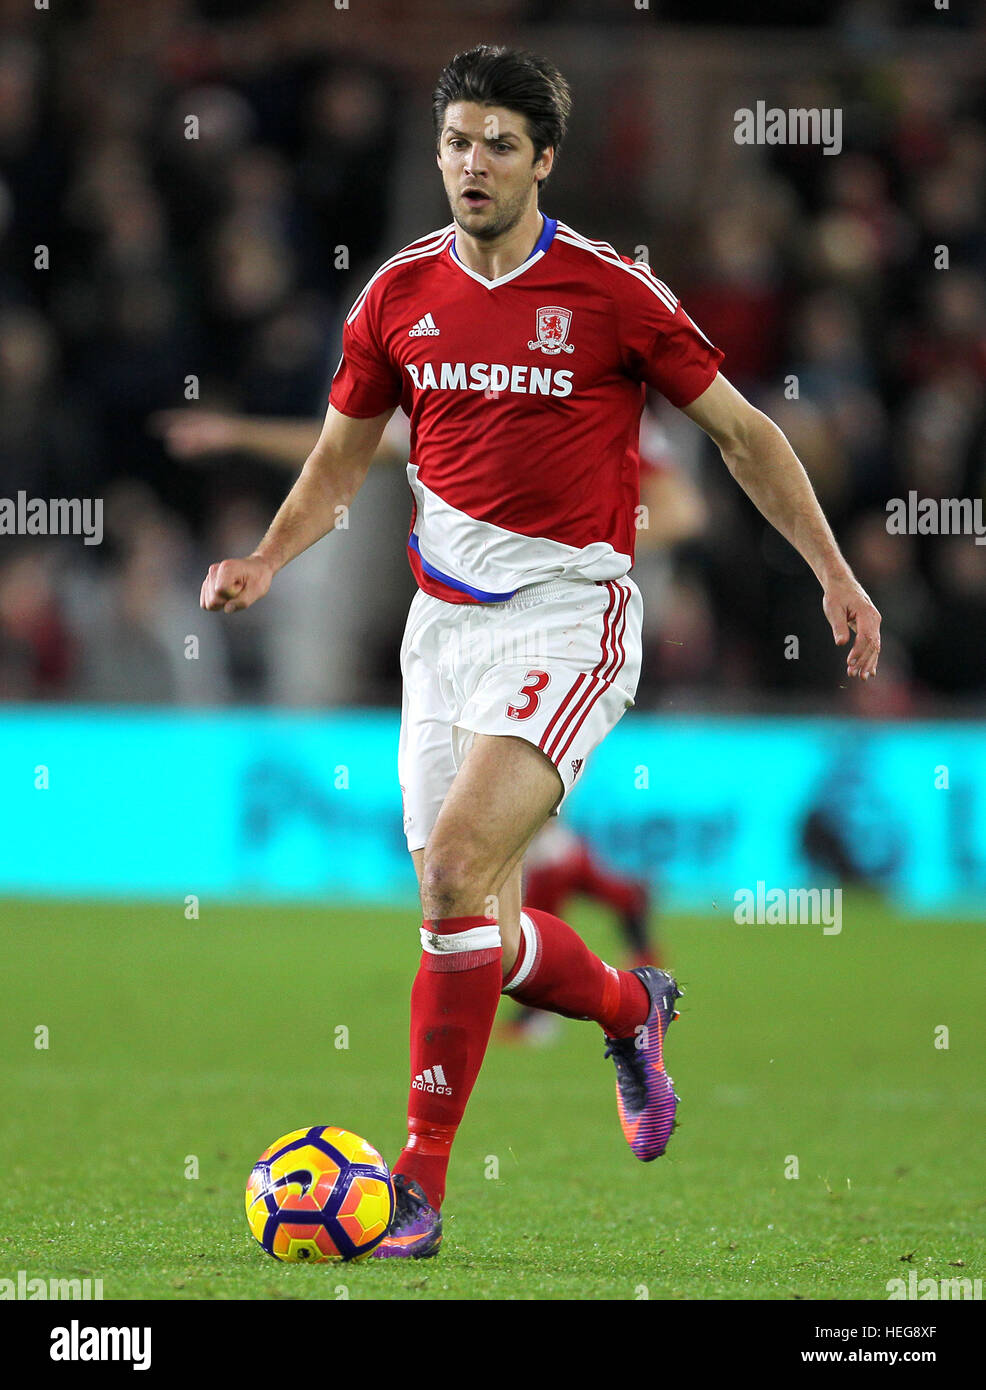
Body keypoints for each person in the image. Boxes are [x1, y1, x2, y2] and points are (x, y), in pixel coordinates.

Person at [200, 45, 881, 1260]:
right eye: (456, 141)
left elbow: (740, 432)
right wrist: (268, 556)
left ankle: (416, 1188)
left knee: (456, 871)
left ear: (542, 160)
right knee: (469, 920)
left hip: (571, 614)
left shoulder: (613, 293)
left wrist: (831, 572)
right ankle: (628, 1003)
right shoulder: (396, 296)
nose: (471, 163)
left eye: (497, 145)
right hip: (441, 628)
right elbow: (343, 457)